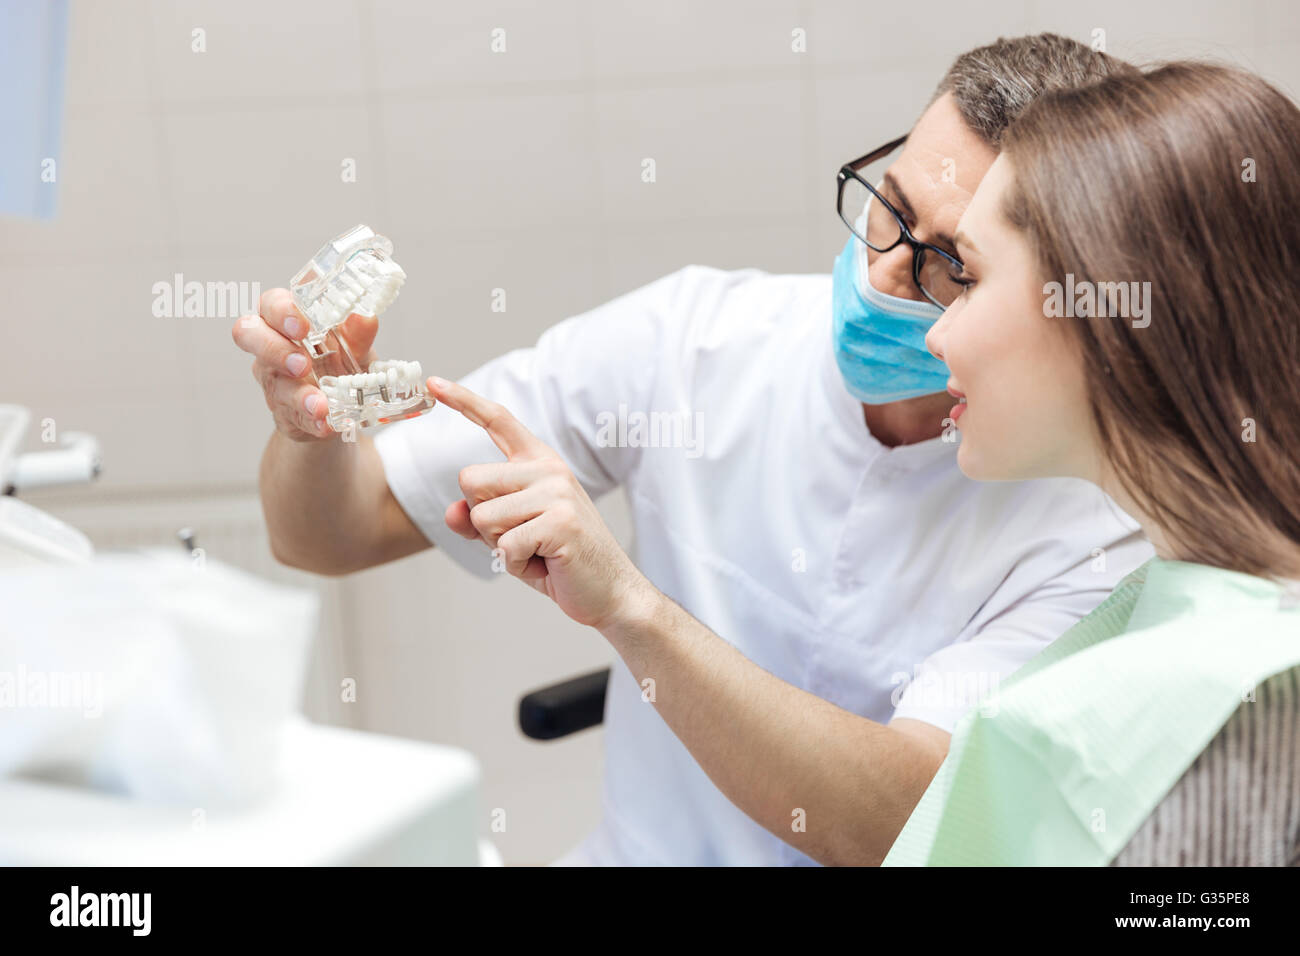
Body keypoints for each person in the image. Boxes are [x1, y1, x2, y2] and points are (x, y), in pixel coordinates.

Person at [234, 35, 1150, 866]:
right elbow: (328, 534)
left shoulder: (1095, 526)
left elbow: (905, 825)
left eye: (951, 263)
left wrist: (631, 608)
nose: (882, 274)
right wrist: (310, 425)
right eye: (890, 206)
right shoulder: (697, 339)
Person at [881, 60, 1300, 865]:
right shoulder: (1183, 595)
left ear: (1104, 310)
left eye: (965, 275)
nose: (935, 333)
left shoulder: (1223, 713)